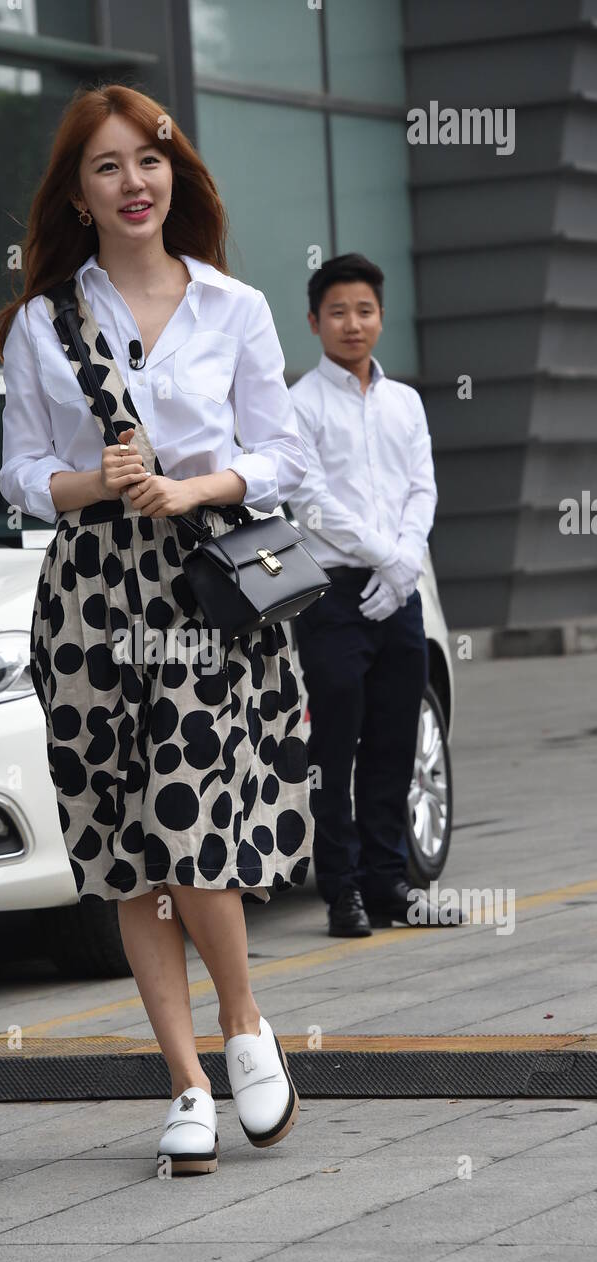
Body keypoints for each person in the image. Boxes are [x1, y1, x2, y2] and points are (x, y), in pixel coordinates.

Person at [0, 83, 311, 1176]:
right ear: (76, 195)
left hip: (202, 591)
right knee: (127, 852)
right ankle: (182, 1082)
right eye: (106, 167)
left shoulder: (236, 307)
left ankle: (243, 1026)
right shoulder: (42, 323)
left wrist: (201, 483)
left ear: (175, 172)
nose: (133, 182)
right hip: (85, 600)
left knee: (186, 818)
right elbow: (20, 475)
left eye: (148, 160)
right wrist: (93, 479)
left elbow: (283, 455)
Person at [289, 253, 439, 938]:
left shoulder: (404, 401)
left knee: (392, 743)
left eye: (365, 310)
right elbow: (308, 502)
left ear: (380, 317)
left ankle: (390, 884)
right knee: (335, 751)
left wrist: (404, 565)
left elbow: (421, 487)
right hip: (332, 597)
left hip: (399, 591)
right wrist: (385, 557)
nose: (353, 324)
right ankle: (341, 892)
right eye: (339, 312)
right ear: (315, 321)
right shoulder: (298, 405)